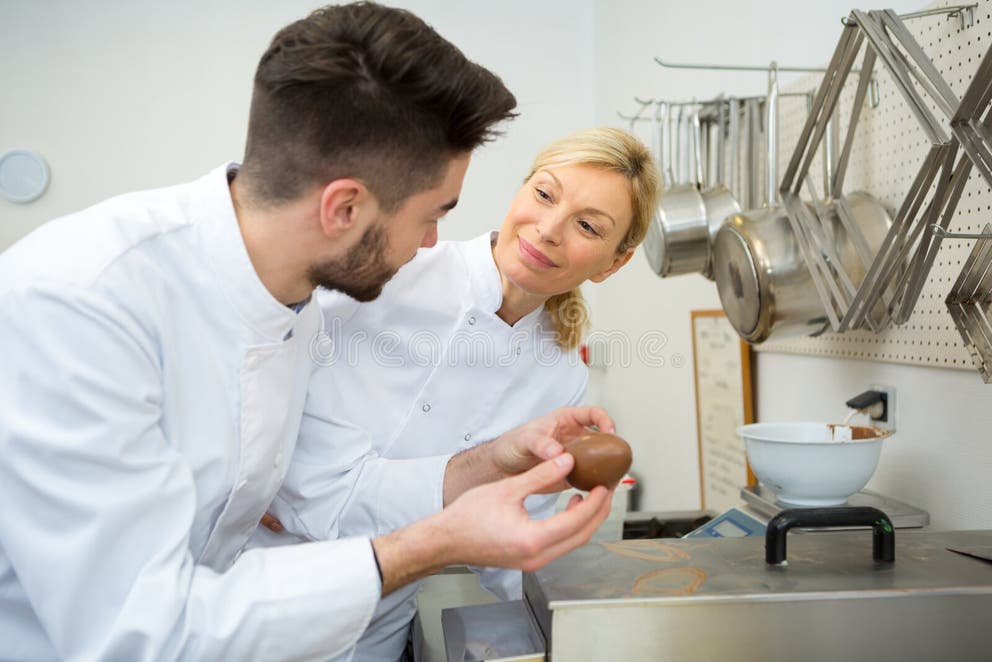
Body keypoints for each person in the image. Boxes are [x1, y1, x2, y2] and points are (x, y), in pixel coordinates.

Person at [0, 4, 614, 660]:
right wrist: (433, 544)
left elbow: (331, 487)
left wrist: (495, 462)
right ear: (344, 208)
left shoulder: (288, 301)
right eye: (432, 216)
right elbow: (137, 632)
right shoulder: (79, 301)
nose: (435, 243)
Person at [257, 127, 660, 661]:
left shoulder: (561, 375)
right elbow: (293, 474)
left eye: (587, 226)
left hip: (371, 638)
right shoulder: (386, 272)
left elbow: (512, 546)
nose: (548, 229)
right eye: (544, 194)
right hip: (253, 604)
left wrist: (591, 616)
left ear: (613, 263)